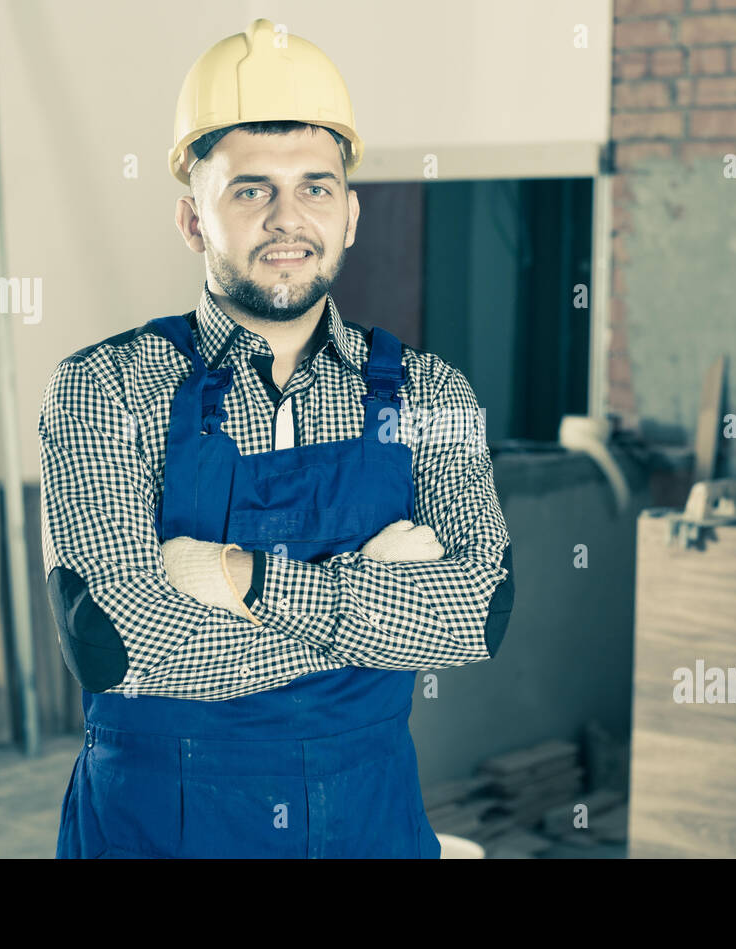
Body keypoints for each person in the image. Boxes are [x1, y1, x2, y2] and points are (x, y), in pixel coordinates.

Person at [41, 18, 514, 858]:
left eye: (316, 187)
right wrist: (374, 590)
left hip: (369, 819)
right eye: (251, 189)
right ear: (193, 220)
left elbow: (477, 612)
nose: (288, 219)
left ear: (352, 212)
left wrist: (235, 575)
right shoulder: (103, 389)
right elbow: (117, 643)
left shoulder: (432, 391)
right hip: (159, 825)